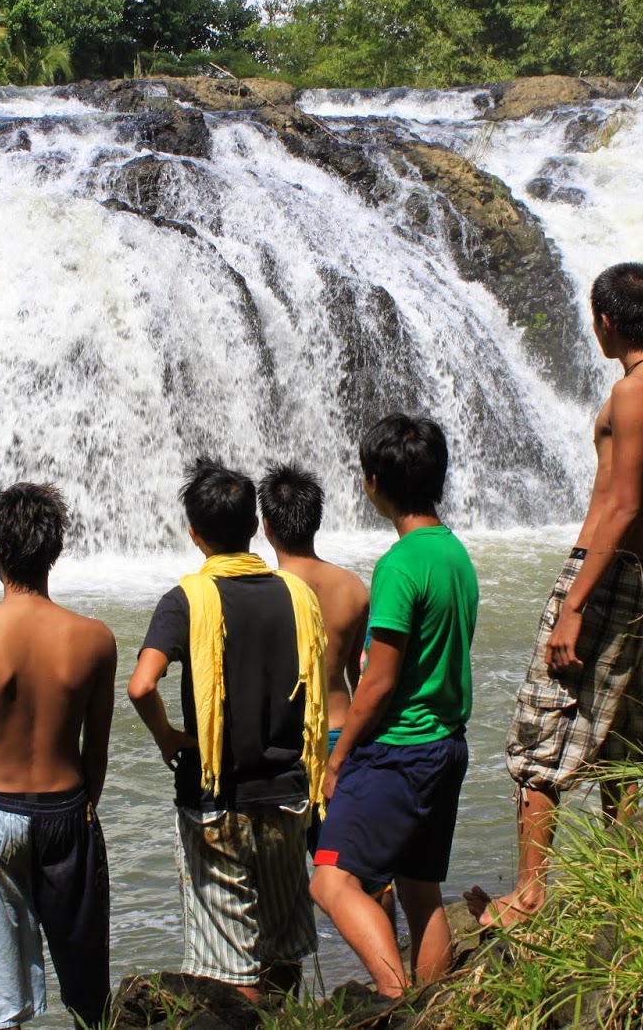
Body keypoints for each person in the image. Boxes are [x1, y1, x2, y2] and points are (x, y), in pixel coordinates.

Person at [470, 262, 643, 929]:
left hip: (599, 575)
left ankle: (530, 895)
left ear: (605, 320)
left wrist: (574, 604)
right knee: (622, 734)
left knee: (543, 725)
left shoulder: (632, 393)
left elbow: (622, 505)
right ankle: (630, 879)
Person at [128, 458, 328, 1000]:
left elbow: (141, 686)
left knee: (227, 967)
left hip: (216, 801)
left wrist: (168, 737)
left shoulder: (185, 600)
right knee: (283, 949)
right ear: (256, 526)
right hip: (288, 796)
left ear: (194, 533)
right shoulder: (297, 594)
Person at [0, 483, 118, 1030]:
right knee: (88, 989)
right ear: (55, 551)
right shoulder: (96, 640)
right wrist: (83, 814)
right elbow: (96, 751)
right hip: (69, 813)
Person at [310, 415, 477, 998]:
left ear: (375, 482)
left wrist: (338, 759)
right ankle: (435, 1010)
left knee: (330, 881)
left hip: (399, 751)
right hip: (445, 746)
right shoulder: (454, 554)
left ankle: (394, 996)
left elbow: (377, 682)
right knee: (419, 889)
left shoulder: (400, 565)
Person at [256, 464, 371, 823]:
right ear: (317, 522)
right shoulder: (353, 587)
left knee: (283, 856)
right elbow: (360, 675)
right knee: (338, 852)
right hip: (341, 734)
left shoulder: (262, 592)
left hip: (283, 742)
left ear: (266, 527)